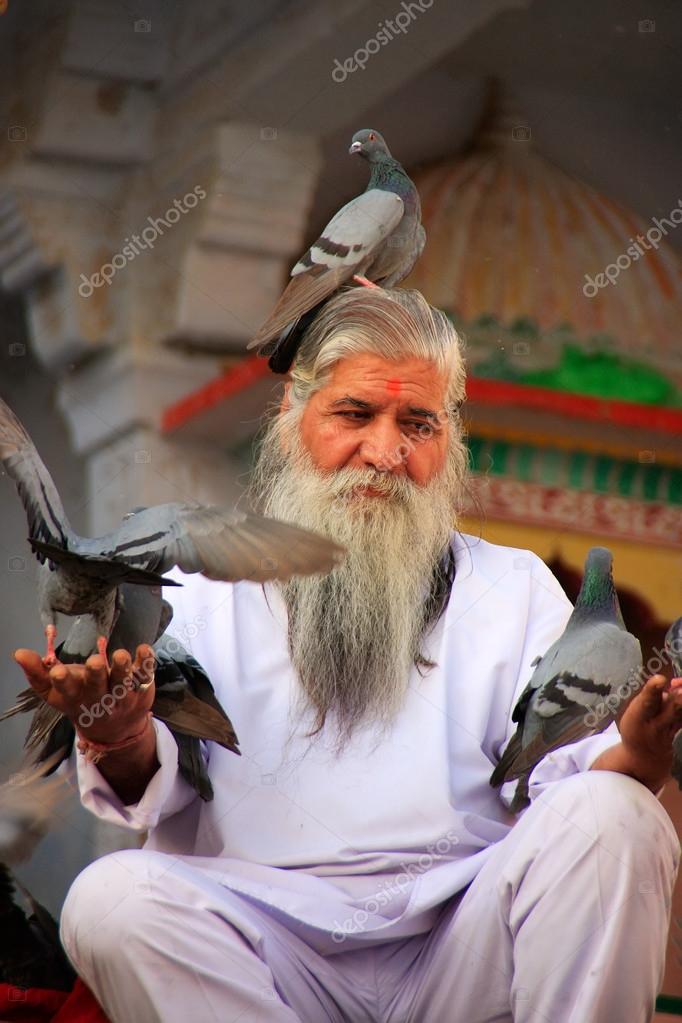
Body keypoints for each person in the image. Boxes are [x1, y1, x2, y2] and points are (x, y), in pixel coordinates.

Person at [15, 288, 681, 1023]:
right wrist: (118, 728)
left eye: (418, 423)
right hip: (263, 951)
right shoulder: (194, 592)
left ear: (450, 441)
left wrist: (643, 754)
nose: (385, 451)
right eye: (355, 414)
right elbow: (152, 785)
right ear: (292, 418)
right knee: (111, 898)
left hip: (461, 951)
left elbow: (575, 787)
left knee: (618, 812)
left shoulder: (513, 585)